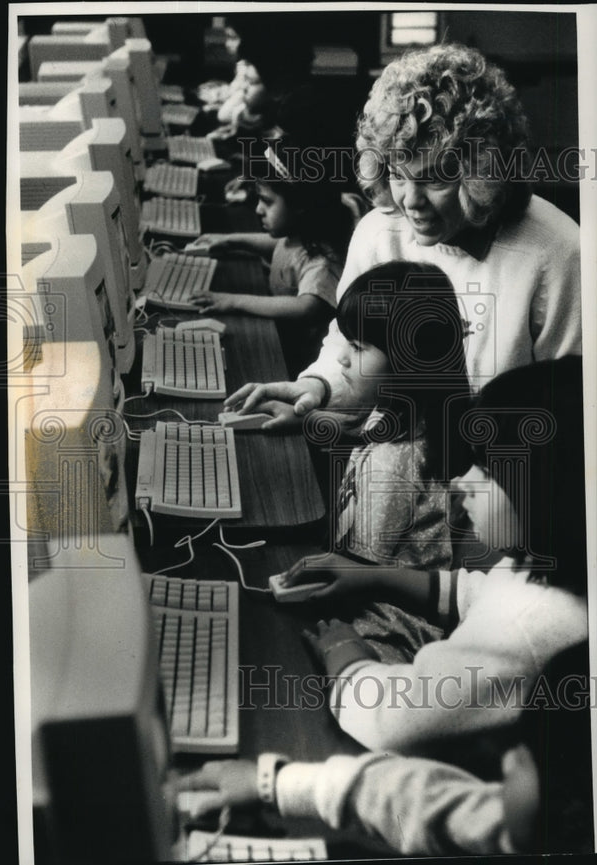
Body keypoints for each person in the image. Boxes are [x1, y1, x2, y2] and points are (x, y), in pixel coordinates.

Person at [223, 43, 581, 427]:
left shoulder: (560, 254)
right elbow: (350, 339)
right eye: (397, 173)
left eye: (433, 177)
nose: (410, 201)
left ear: (483, 172)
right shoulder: (380, 229)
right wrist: (317, 386)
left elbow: (570, 414)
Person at [277, 357, 588, 755]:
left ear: (550, 493)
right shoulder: (557, 564)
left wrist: (345, 654)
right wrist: (375, 577)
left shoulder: (522, 626)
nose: (462, 481)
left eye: (487, 471)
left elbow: (391, 721)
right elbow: (481, 591)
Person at [176, 640, 593, 856]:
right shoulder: (520, 827)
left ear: (570, 811)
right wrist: (275, 784)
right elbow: (418, 797)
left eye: (525, 759)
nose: (505, 761)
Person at [279, 261, 471, 662]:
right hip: (371, 605)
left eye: (359, 347)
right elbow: (358, 431)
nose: (343, 359)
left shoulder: (394, 460)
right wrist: (304, 417)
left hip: (389, 634)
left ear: (408, 360)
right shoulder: (402, 415)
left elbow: (360, 571)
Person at [185, 140, 354, 375]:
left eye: (266, 201)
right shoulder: (301, 237)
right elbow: (280, 248)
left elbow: (306, 307)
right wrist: (232, 240)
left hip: (290, 364)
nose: (257, 209)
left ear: (300, 205)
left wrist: (233, 301)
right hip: (277, 342)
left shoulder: (323, 261)